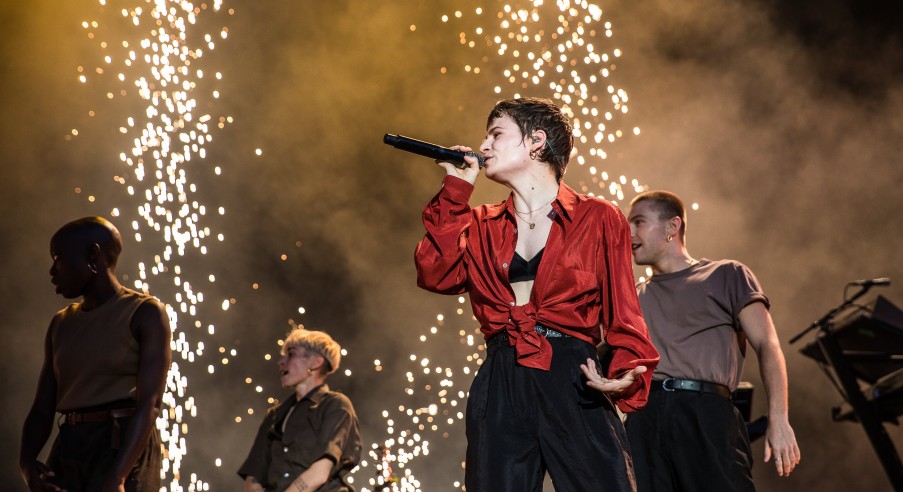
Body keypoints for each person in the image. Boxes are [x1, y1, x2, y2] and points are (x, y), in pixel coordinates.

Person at [414, 97, 659, 491]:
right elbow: (434, 273)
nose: (484, 145)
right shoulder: (480, 224)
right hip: (501, 377)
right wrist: (457, 188)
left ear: (536, 142)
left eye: (496, 134)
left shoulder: (597, 217)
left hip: (575, 377)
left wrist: (626, 371)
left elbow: (624, 309)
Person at [624, 190, 800, 491]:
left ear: (672, 227)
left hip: (705, 414)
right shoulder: (633, 295)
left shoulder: (726, 274)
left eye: (638, 222)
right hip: (645, 420)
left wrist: (779, 418)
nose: (628, 232)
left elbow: (767, 345)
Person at [19, 216, 171, 491]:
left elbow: (150, 402)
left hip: (122, 445)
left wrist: (118, 476)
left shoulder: (144, 312)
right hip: (71, 447)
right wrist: (27, 465)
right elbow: (42, 408)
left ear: (93, 254)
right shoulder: (61, 323)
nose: (53, 270)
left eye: (58, 258)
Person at [239, 329, 362, 492]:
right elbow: (253, 477)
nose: (281, 361)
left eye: (291, 354)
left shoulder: (336, 405)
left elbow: (321, 470)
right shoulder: (275, 415)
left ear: (315, 363)